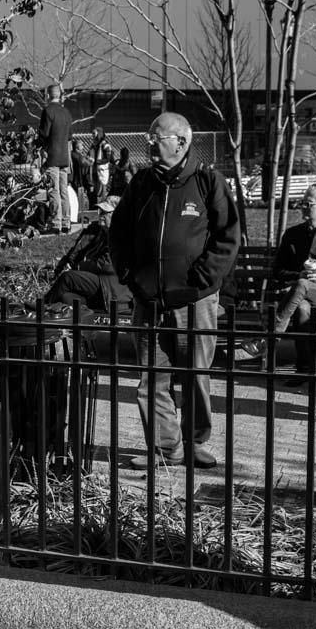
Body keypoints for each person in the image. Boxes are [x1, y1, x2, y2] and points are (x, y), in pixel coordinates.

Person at [109, 112, 241, 470]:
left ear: (181, 142)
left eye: (157, 137)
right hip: (148, 302)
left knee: (196, 376)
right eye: (150, 137)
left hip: (194, 302)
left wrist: (201, 281)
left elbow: (228, 238)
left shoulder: (207, 181)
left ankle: (194, 441)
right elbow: (117, 232)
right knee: (152, 382)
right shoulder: (141, 184)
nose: (150, 143)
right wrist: (130, 276)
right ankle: (167, 449)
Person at [241, 183, 316, 384]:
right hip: (299, 298)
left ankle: (267, 338)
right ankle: (304, 371)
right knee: (302, 308)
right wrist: (298, 274)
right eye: (302, 204)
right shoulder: (292, 235)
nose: (302, 208)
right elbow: (278, 272)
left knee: (303, 285)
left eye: (308, 204)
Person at [43, 196, 129, 312]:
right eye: (100, 212)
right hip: (100, 285)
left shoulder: (120, 235)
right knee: (66, 297)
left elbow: (107, 265)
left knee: (68, 278)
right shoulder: (101, 233)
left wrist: (80, 266)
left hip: (111, 287)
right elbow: (79, 250)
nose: (101, 216)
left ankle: (41, 308)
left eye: (105, 213)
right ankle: (78, 315)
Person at [38, 83, 72, 234]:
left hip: (52, 157)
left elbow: (44, 134)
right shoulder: (67, 113)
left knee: (54, 190)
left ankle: (56, 223)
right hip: (65, 157)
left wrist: (38, 147)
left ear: (48, 95)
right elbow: (70, 138)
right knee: (64, 191)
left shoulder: (48, 111)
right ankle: (66, 222)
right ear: (59, 95)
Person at [89, 126, 114, 206]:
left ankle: (103, 206)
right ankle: (96, 206)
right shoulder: (94, 145)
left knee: (102, 189)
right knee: (96, 190)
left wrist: (98, 162)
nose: (92, 135)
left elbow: (108, 158)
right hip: (94, 170)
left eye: (94, 133)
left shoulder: (105, 144)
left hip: (102, 170)